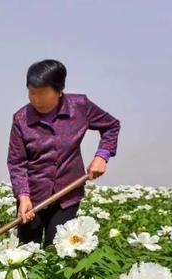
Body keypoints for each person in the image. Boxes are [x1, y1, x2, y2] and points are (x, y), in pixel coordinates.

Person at [7, 59, 120, 246]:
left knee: (59, 250)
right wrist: (23, 196)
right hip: (32, 199)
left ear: (59, 91)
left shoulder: (80, 106)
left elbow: (111, 126)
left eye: (42, 93)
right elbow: (16, 162)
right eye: (31, 92)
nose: (35, 99)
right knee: (27, 253)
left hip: (67, 195)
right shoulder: (21, 119)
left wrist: (102, 155)